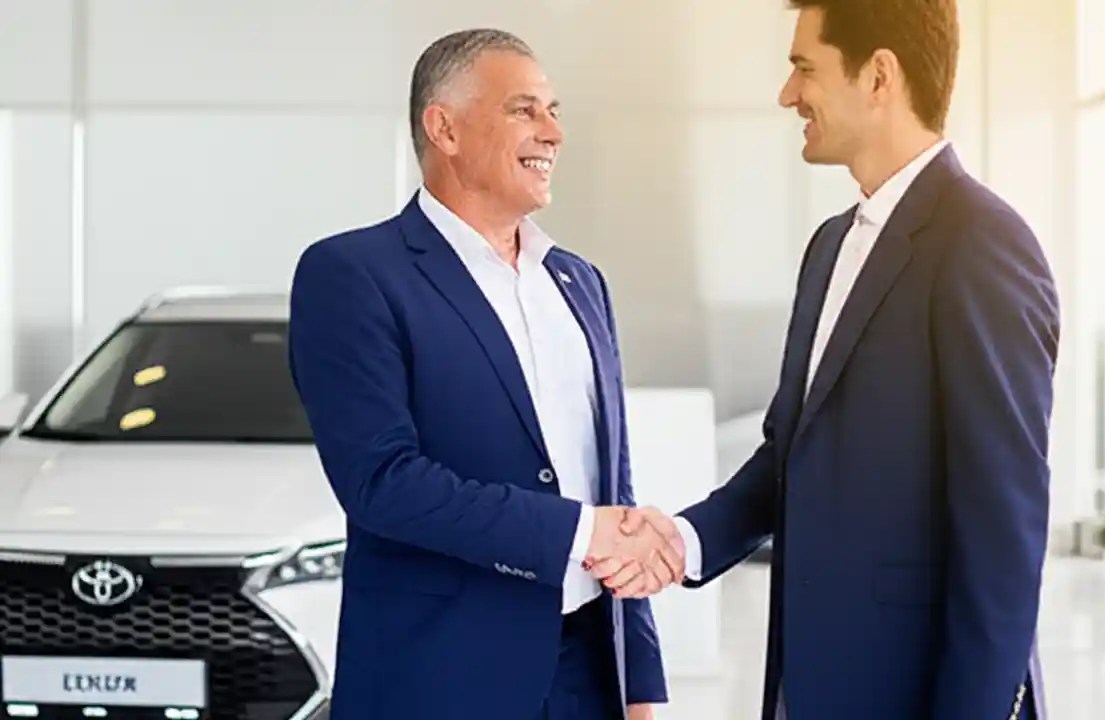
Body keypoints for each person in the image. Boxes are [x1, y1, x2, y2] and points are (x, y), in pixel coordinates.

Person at [592, 1, 1060, 718]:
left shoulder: (981, 243)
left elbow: (1005, 534)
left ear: (879, 76)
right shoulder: (830, 247)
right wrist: (684, 542)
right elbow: (792, 456)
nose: (788, 95)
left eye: (803, 68)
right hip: (813, 687)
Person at [288, 29, 681, 720]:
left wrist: (640, 683)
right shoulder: (354, 275)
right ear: (443, 127)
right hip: (439, 679)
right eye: (524, 109)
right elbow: (381, 482)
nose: (553, 131)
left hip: (589, 675)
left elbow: (611, 485)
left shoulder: (579, 282)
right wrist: (577, 532)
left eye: (554, 109)